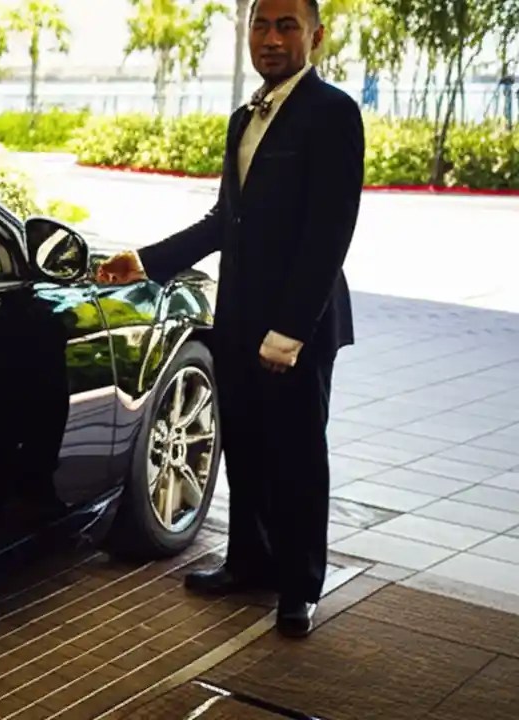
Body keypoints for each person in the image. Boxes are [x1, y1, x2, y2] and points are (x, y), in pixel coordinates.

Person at [96, 0, 363, 638]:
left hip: (298, 324)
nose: (271, 39)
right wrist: (147, 260)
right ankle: (250, 562)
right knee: (243, 446)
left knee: (297, 458)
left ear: (315, 36)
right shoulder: (244, 116)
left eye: (286, 26)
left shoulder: (333, 114)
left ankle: (299, 586)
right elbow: (225, 221)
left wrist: (291, 331)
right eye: (261, 26)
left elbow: (329, 234)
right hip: (239, 314)